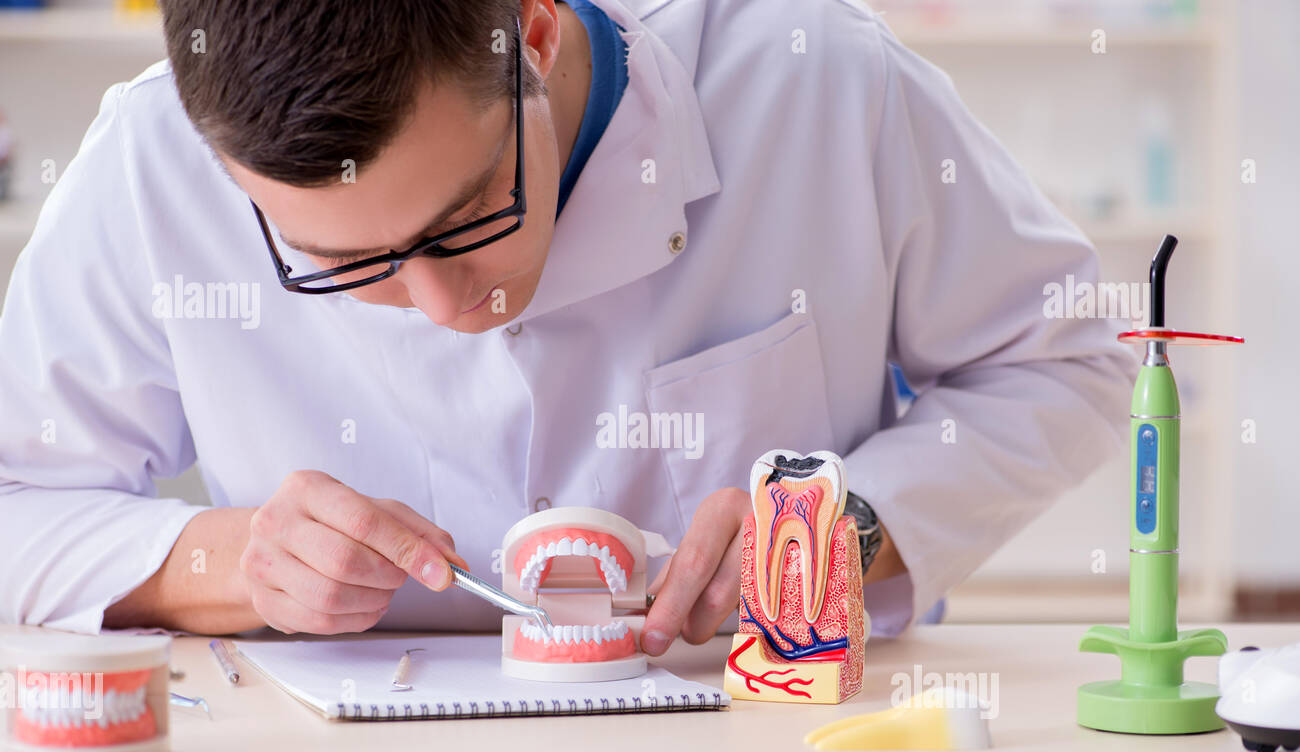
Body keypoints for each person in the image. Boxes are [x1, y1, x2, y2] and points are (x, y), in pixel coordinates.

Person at [0, 0, 1132, 654]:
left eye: (468, 218)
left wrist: (846, 532)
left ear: (533, 31)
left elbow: (1065, 363)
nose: (448, 309)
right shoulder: (150, 161)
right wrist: (223, 561)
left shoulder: (815, 80)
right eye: (342, 266)